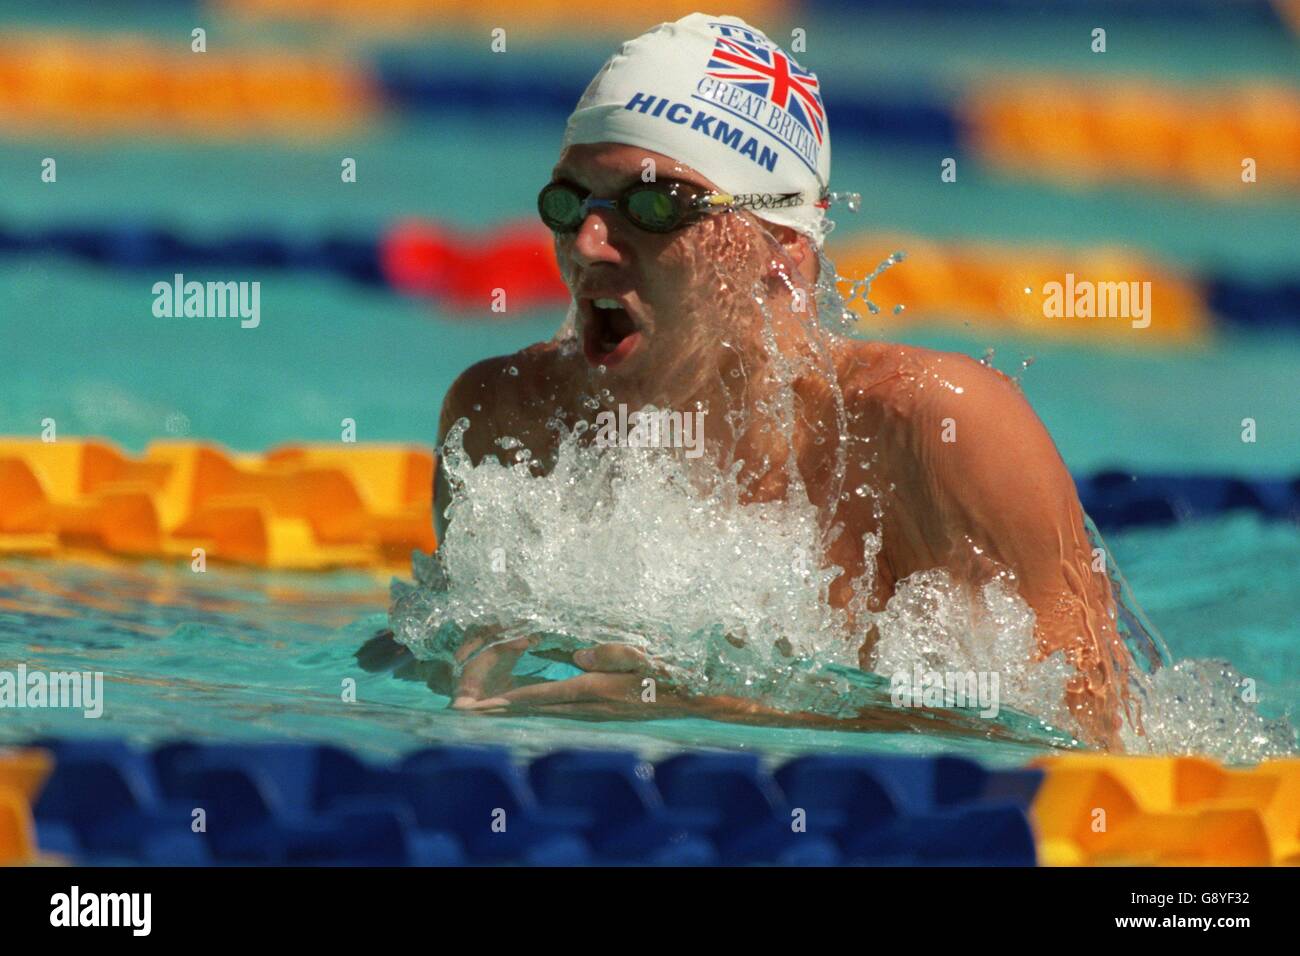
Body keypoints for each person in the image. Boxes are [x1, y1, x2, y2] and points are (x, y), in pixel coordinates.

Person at [421, 13, 1135, 749]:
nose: (587, 243)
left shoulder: (936, 432)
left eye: (654, 203)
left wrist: (729, 710)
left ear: (783, 247)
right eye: (569, 202)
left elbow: (1082, 734)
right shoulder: (508, 419)